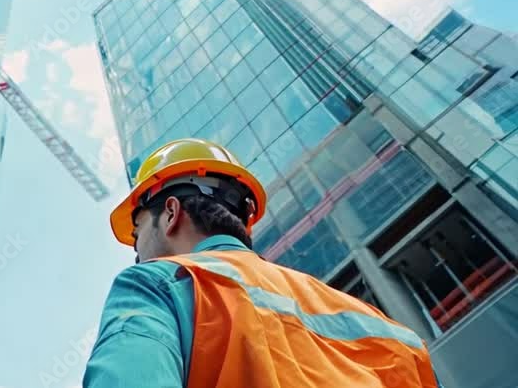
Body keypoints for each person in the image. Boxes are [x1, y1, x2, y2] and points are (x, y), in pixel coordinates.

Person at [83, 138, 441, 387]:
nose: (137, 249)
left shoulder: (158, 284)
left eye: (138, 228)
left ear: (172, 213)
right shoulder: (381, 325)